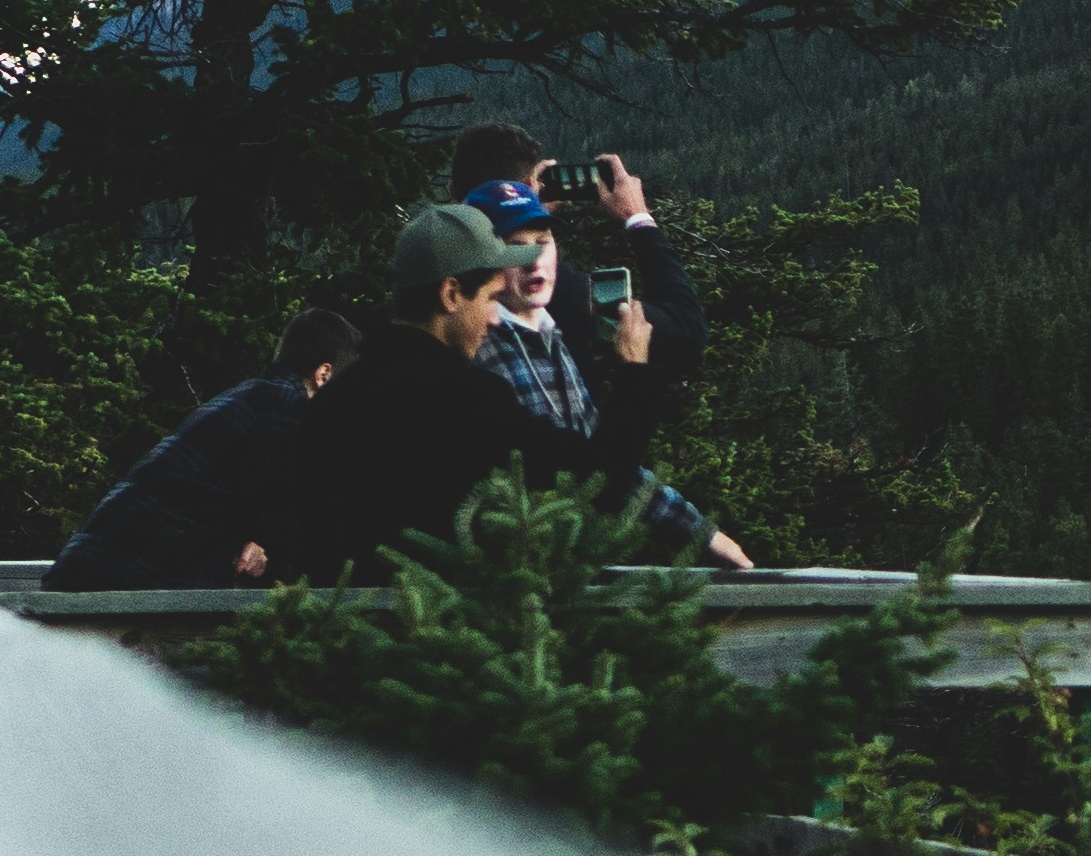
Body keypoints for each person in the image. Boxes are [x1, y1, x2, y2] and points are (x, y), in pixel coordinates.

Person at [281, 203, 749, 582]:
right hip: (438, 649)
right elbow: (595, 478)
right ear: (450, 294)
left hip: (338, 638)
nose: (491, 319)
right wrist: (634, 372)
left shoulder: (338, 397)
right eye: (488, 298)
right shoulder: (463, 397)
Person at [43, 311, 363, 592]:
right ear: (324, 375)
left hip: (97, 564)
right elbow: (298, 506)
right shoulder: (288, 406)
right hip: (123, 577)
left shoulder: (255, 397)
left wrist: (258, 539)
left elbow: (249, 495)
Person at [449, 123, 708, 395]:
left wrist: (522, 219)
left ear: (454, 193)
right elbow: (686, 331)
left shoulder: (441, 286)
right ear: (529, 185)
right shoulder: (552, 289)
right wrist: (638, 219)